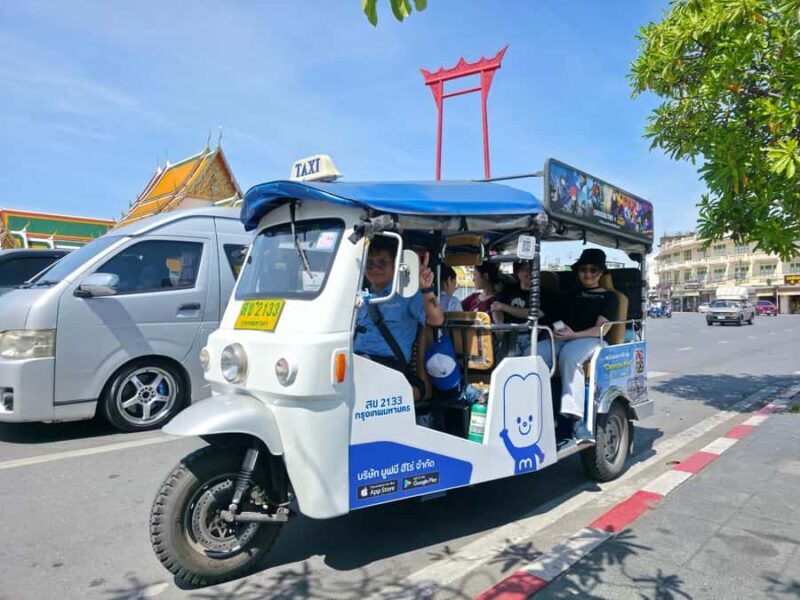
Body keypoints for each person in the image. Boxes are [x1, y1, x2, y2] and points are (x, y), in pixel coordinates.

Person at [535, 249, 618, 442]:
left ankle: (576, 420)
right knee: (534, 353)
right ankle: (537, 409)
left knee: (570, 357)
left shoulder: (609, 297)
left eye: (593, 270)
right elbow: (553, 317)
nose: (588, 274)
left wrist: (573, 335)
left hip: (592, 339)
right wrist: (558, 329)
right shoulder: (569, 294)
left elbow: (601, 329)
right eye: (583, 269)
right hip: (564, 338)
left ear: (601, 273)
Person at [354, 237, 444, 385]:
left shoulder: (407, 294)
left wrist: (426, 289)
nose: (375, 268)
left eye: (382, 263)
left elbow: (436, 320)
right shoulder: (359, 297)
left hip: (389, 368)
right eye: (369, 263)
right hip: (356, 362)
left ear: (396, 265)